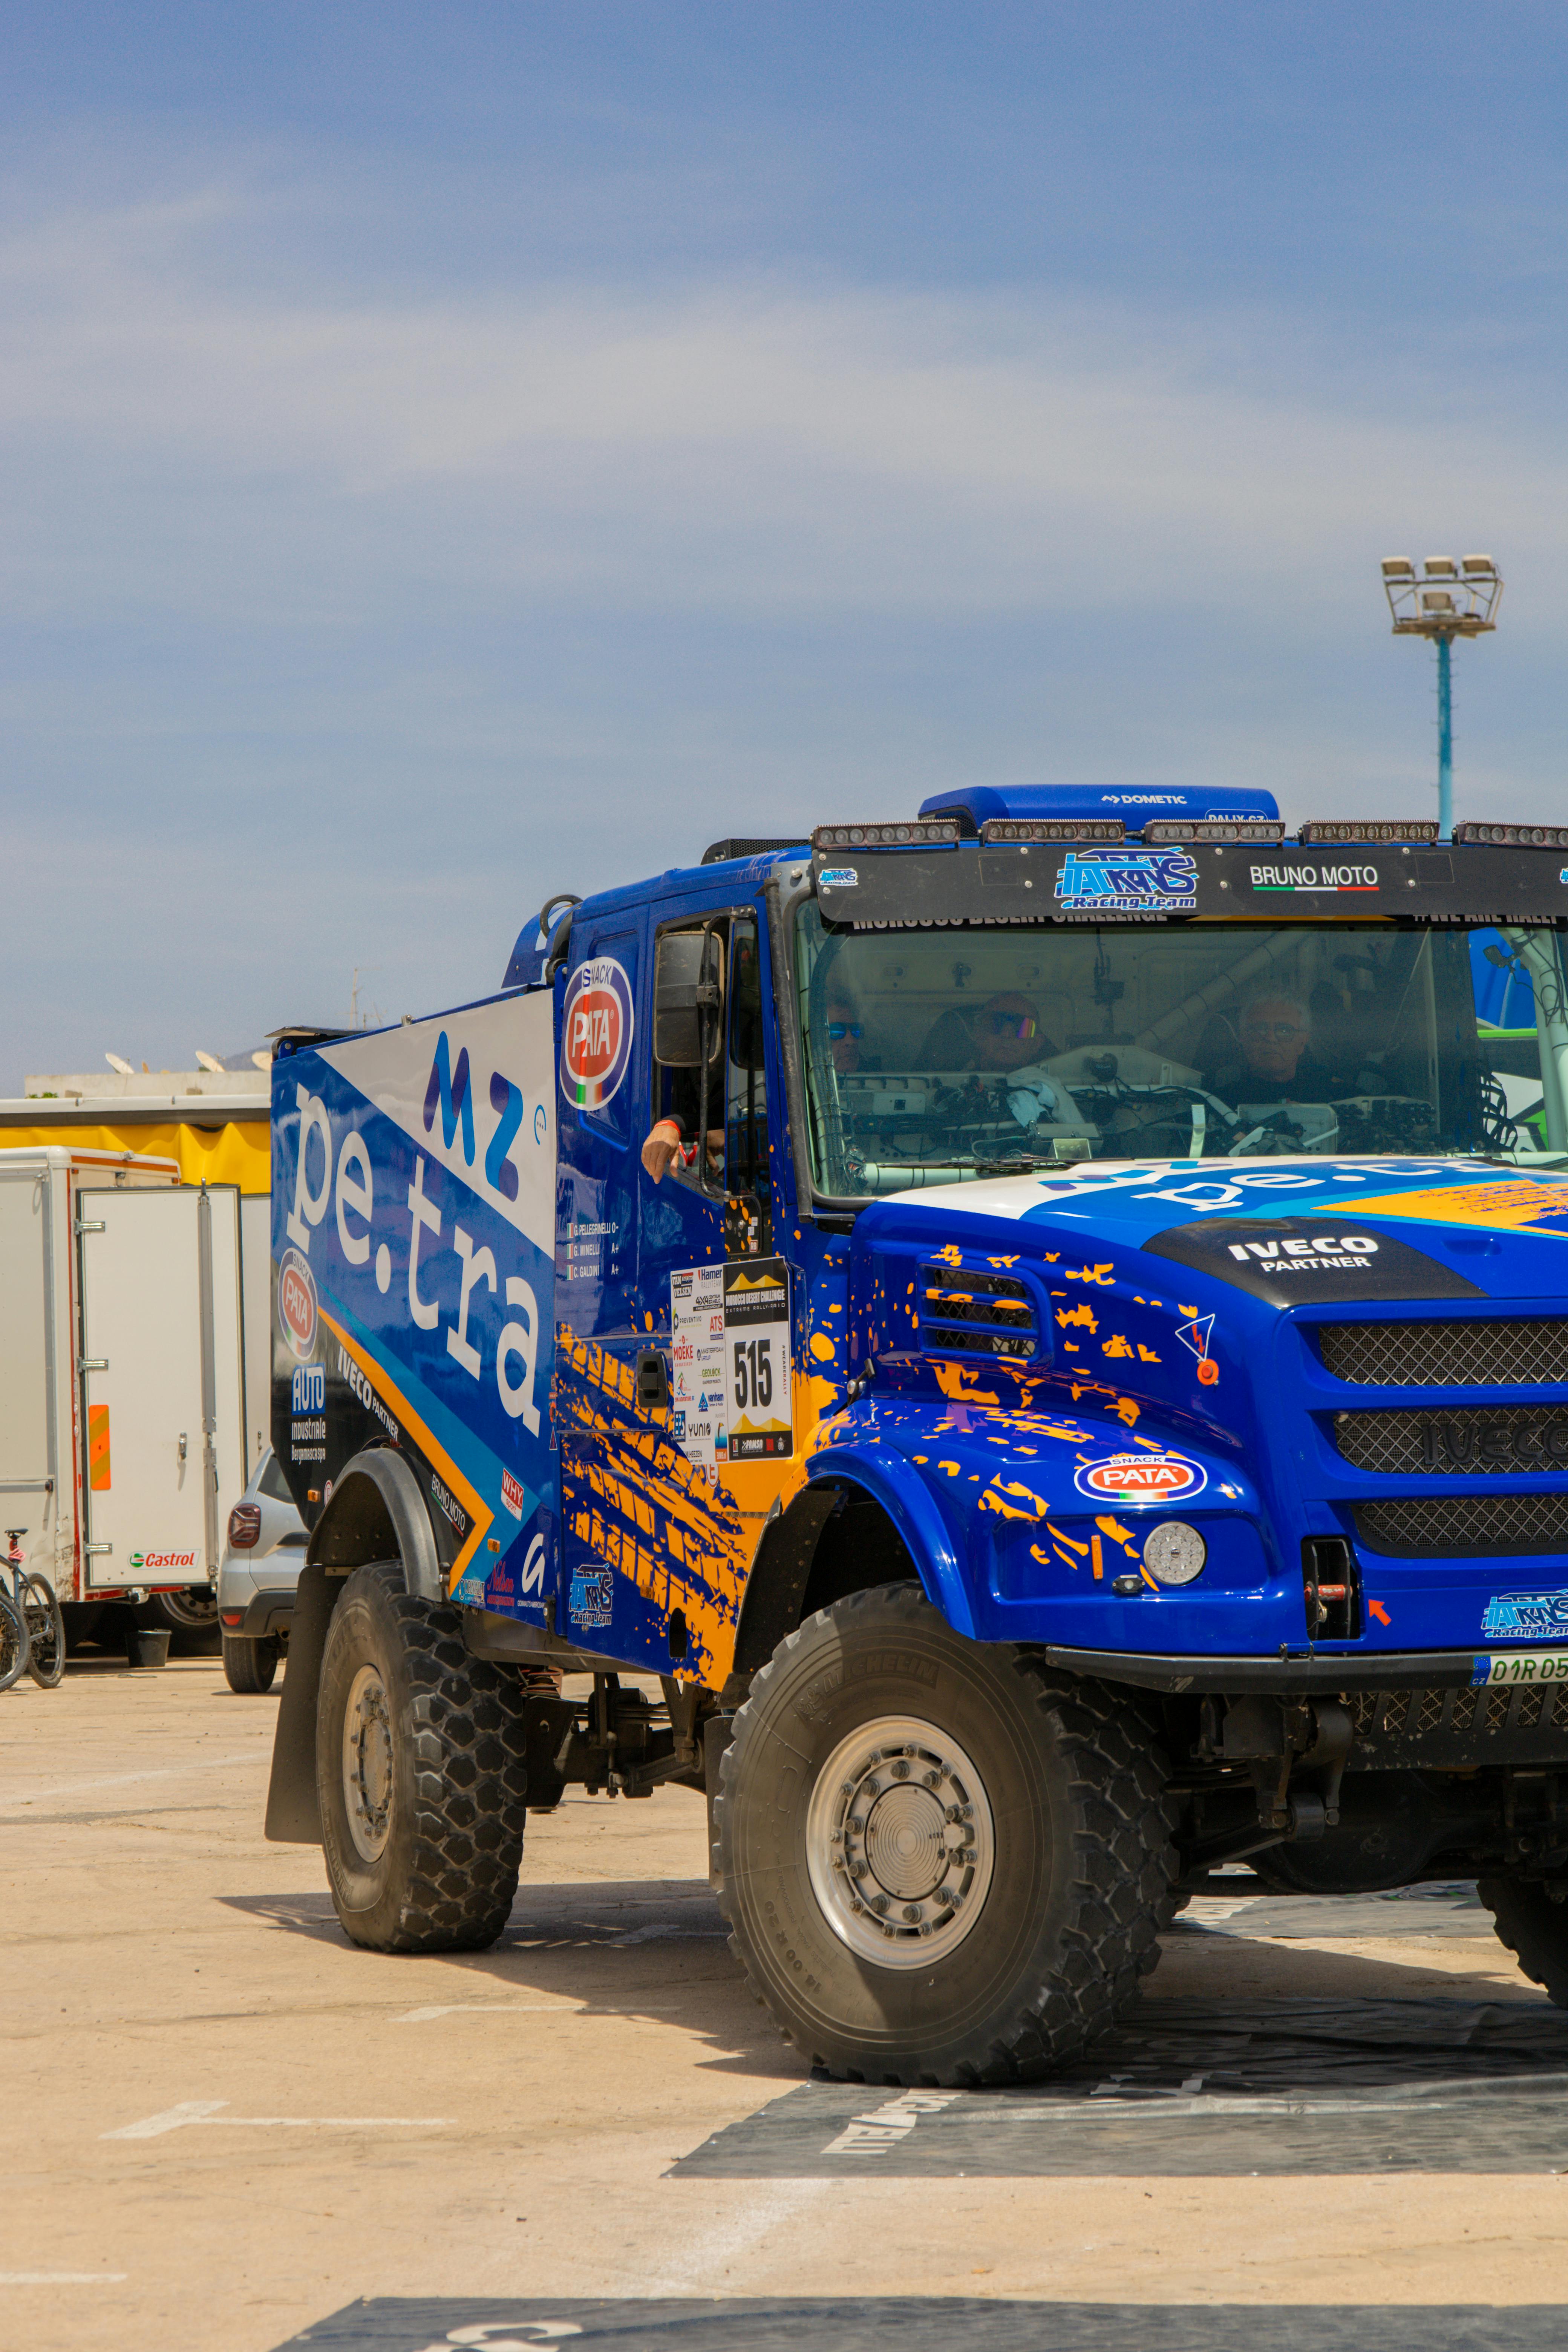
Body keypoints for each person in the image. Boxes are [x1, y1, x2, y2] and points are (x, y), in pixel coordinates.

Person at [1207, 993, 1334, 1106]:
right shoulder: (1219, 1104)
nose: (1271, 1038)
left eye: (1285, 1030)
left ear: (1303, 1042)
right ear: (1243, 1038)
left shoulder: (1332, 1097)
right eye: (1259, 1029)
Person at [918, 990, 1059, 1073]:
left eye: (1021, 1027)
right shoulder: (947, 1087)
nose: (1006, 1034)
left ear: (1037, 1043)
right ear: (978, 1035)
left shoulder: (1057, 1092)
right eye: (996, 1023)